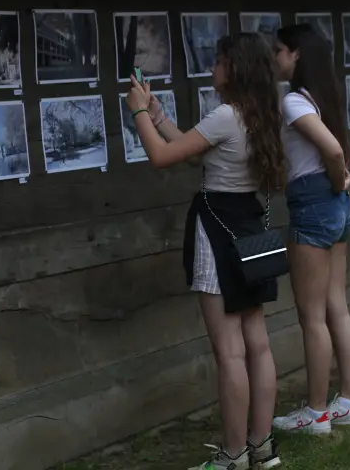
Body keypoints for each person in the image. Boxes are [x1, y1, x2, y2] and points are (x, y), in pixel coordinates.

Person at [126, 32, 287, 470]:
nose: (212, 68)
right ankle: (261, 447)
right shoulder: (261, 115)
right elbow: (194, 151)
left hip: (217, 231)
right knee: (258, 344)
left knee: (230, 351)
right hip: (252, 227)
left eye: (217, 61)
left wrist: (138, 111)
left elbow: (163, 158)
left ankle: (232, 455)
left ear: (234, 68)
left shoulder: (224, 117)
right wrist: (158, 116)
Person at [270, 23, 350, 435]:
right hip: (337, 207)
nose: (275, 57)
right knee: (336, 307)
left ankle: (315, 412)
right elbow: (334, 150)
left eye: (280, 50)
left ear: (297, 56)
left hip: (313, 206)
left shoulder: (294, 102)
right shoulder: (321, 96)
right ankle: (349, 401)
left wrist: (333, 176)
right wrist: (339, 179)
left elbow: (331, 149)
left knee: (312, 316)